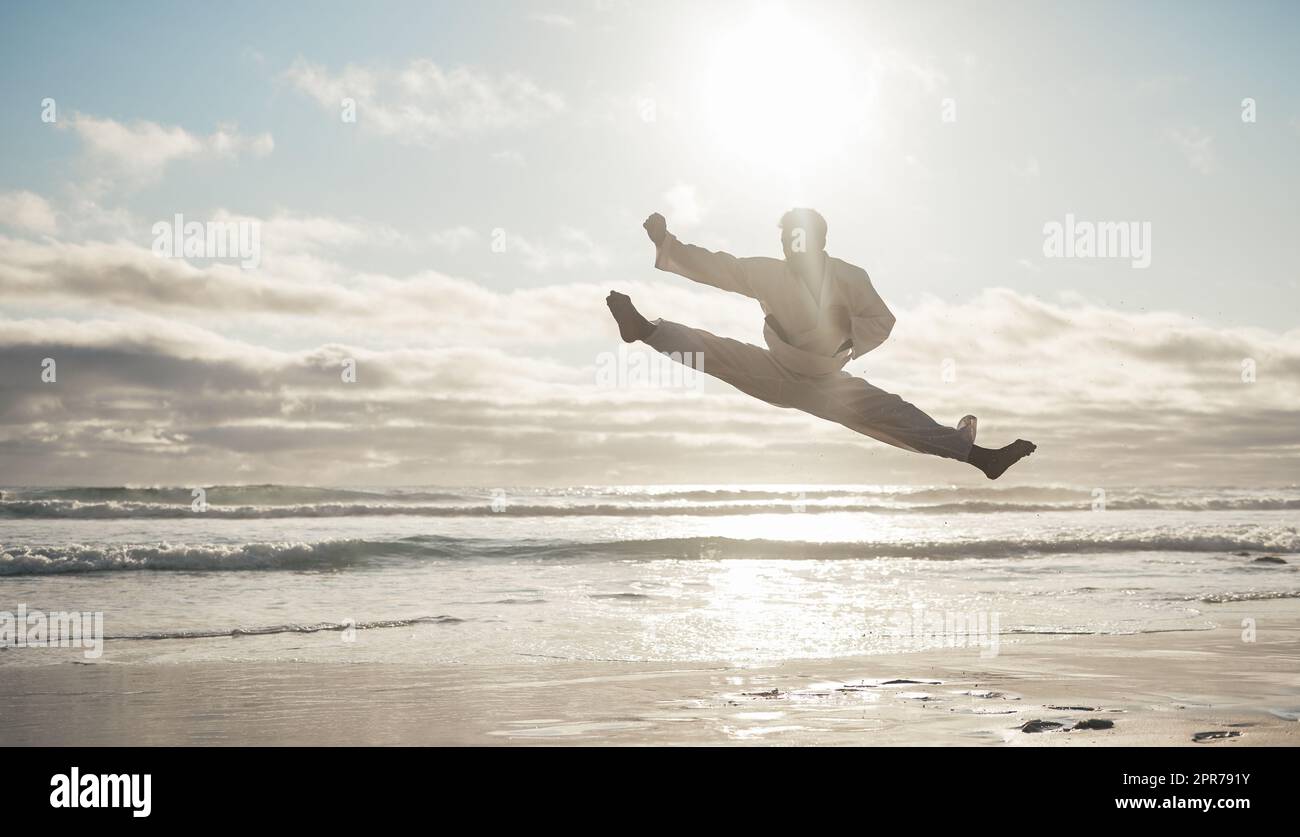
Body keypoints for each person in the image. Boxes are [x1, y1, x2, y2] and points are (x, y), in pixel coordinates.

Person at [605, 208, 1036, 479]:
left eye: (798, 238)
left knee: (896, 413)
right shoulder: (767, 273)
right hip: (780, 370)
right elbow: (717, 267)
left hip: (827, 378)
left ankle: (981, 458)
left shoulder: (850, 278)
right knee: (716, 352)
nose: (790, 246)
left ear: (819, 241)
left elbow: (882, 322)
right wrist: (667, 242)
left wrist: (845, 328)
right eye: (785, 239)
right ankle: (644, 329)